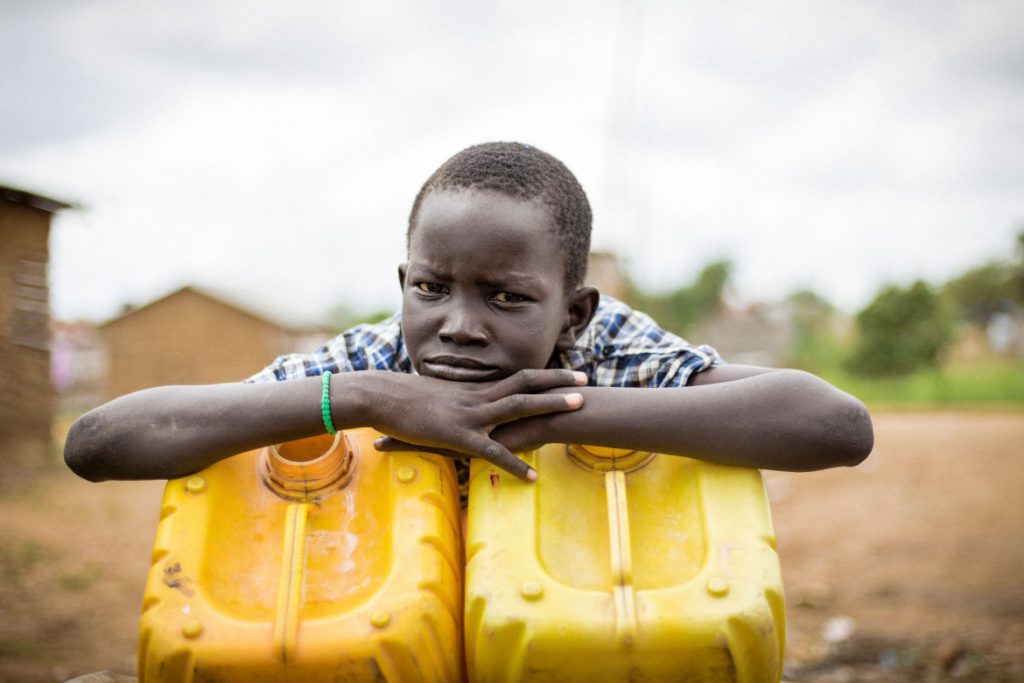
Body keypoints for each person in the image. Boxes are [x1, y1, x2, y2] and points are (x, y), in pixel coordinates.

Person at [64, 142, 873, 494]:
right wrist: (363, 398)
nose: (457, 323)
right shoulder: (373, 358)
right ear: (405, 281)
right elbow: (97, 444)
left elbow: (835, 426)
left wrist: (553, 415)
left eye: (507, 297)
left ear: (574, 310)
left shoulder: (608, 346)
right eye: (431, 287)